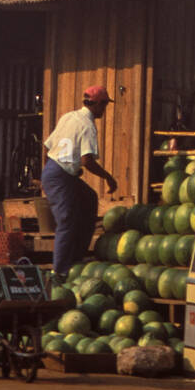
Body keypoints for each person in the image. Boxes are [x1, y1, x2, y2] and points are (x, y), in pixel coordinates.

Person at [41, 85, 117, 277]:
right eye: (105, 105)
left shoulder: (68, 117)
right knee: (66, 220)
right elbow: (87, 161)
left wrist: (52, 170)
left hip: (56, 170)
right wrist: (108, 177)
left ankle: (76, 256)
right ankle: (59, 272)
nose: (105, 109)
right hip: (59, 175)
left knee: (89, 198)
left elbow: (47, 146)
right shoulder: (88, 126)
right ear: (98, 104)